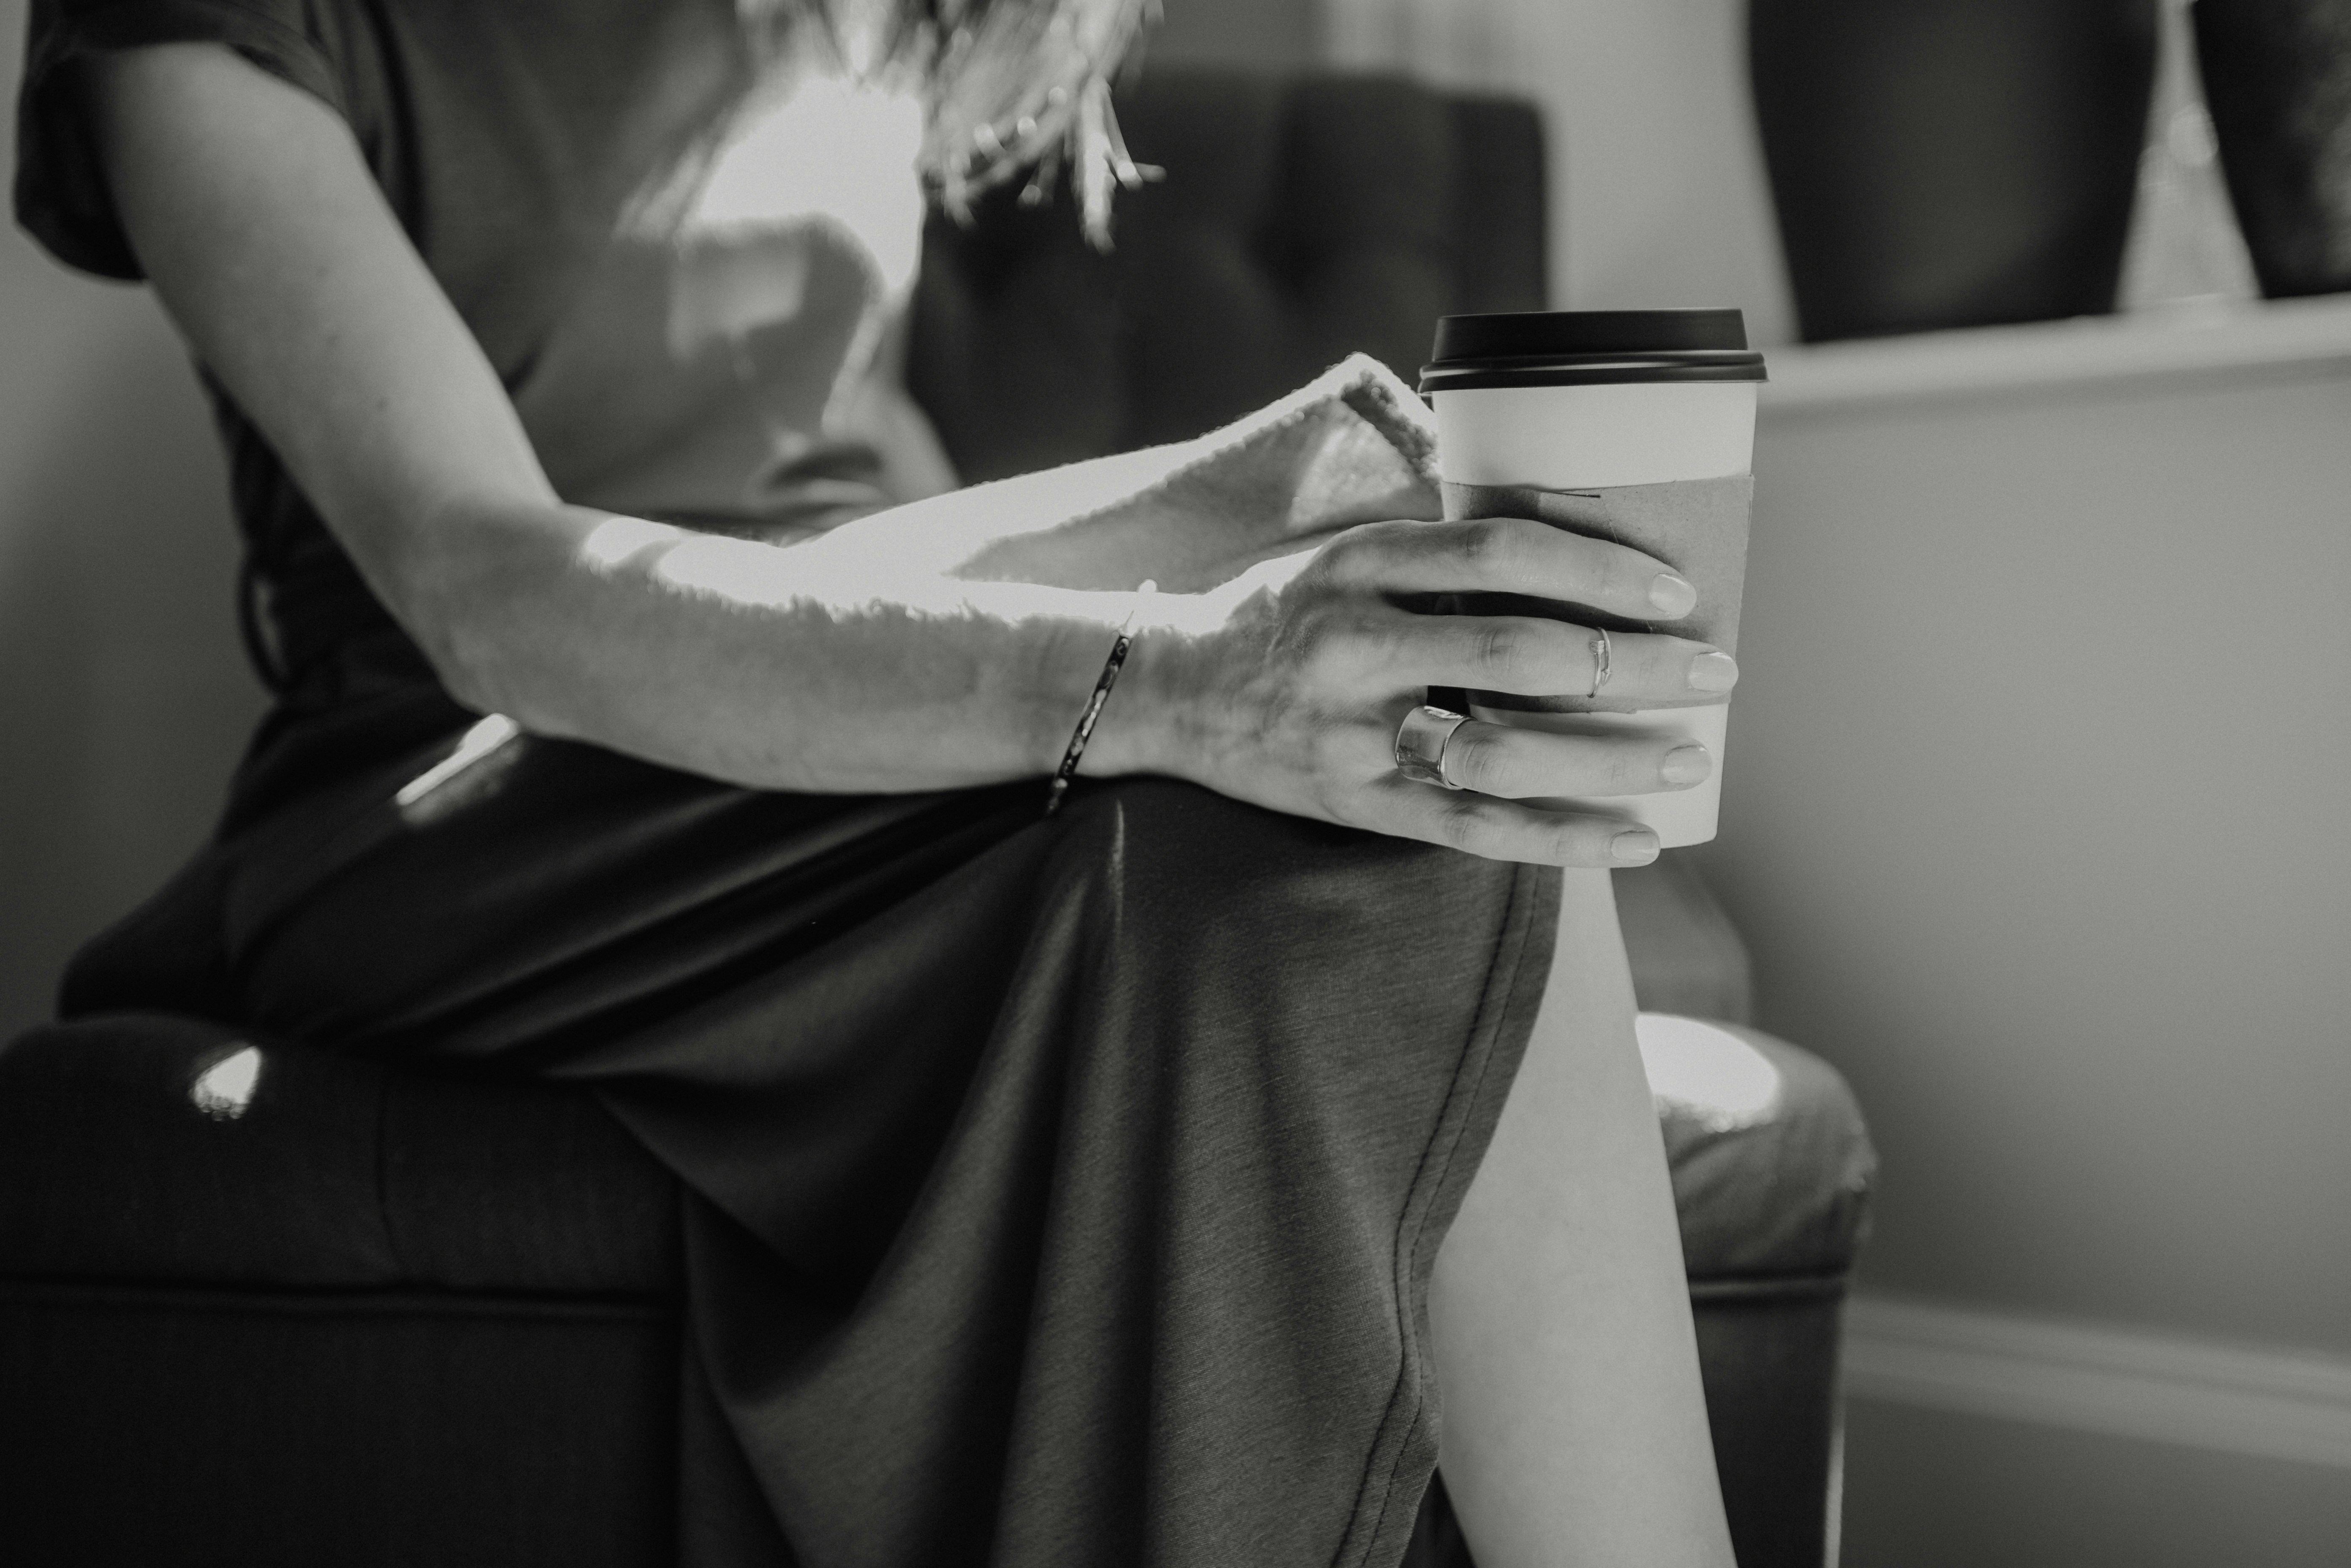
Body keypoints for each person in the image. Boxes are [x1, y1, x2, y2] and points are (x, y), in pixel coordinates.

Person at [15, 1, 1742, 1563]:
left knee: (1421, 795)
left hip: (846, 710)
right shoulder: (205, 22)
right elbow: (483, 581)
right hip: (474, 784)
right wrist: (1167, 676)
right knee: (1370, 794)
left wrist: (1257, 522)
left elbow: (842, 519)